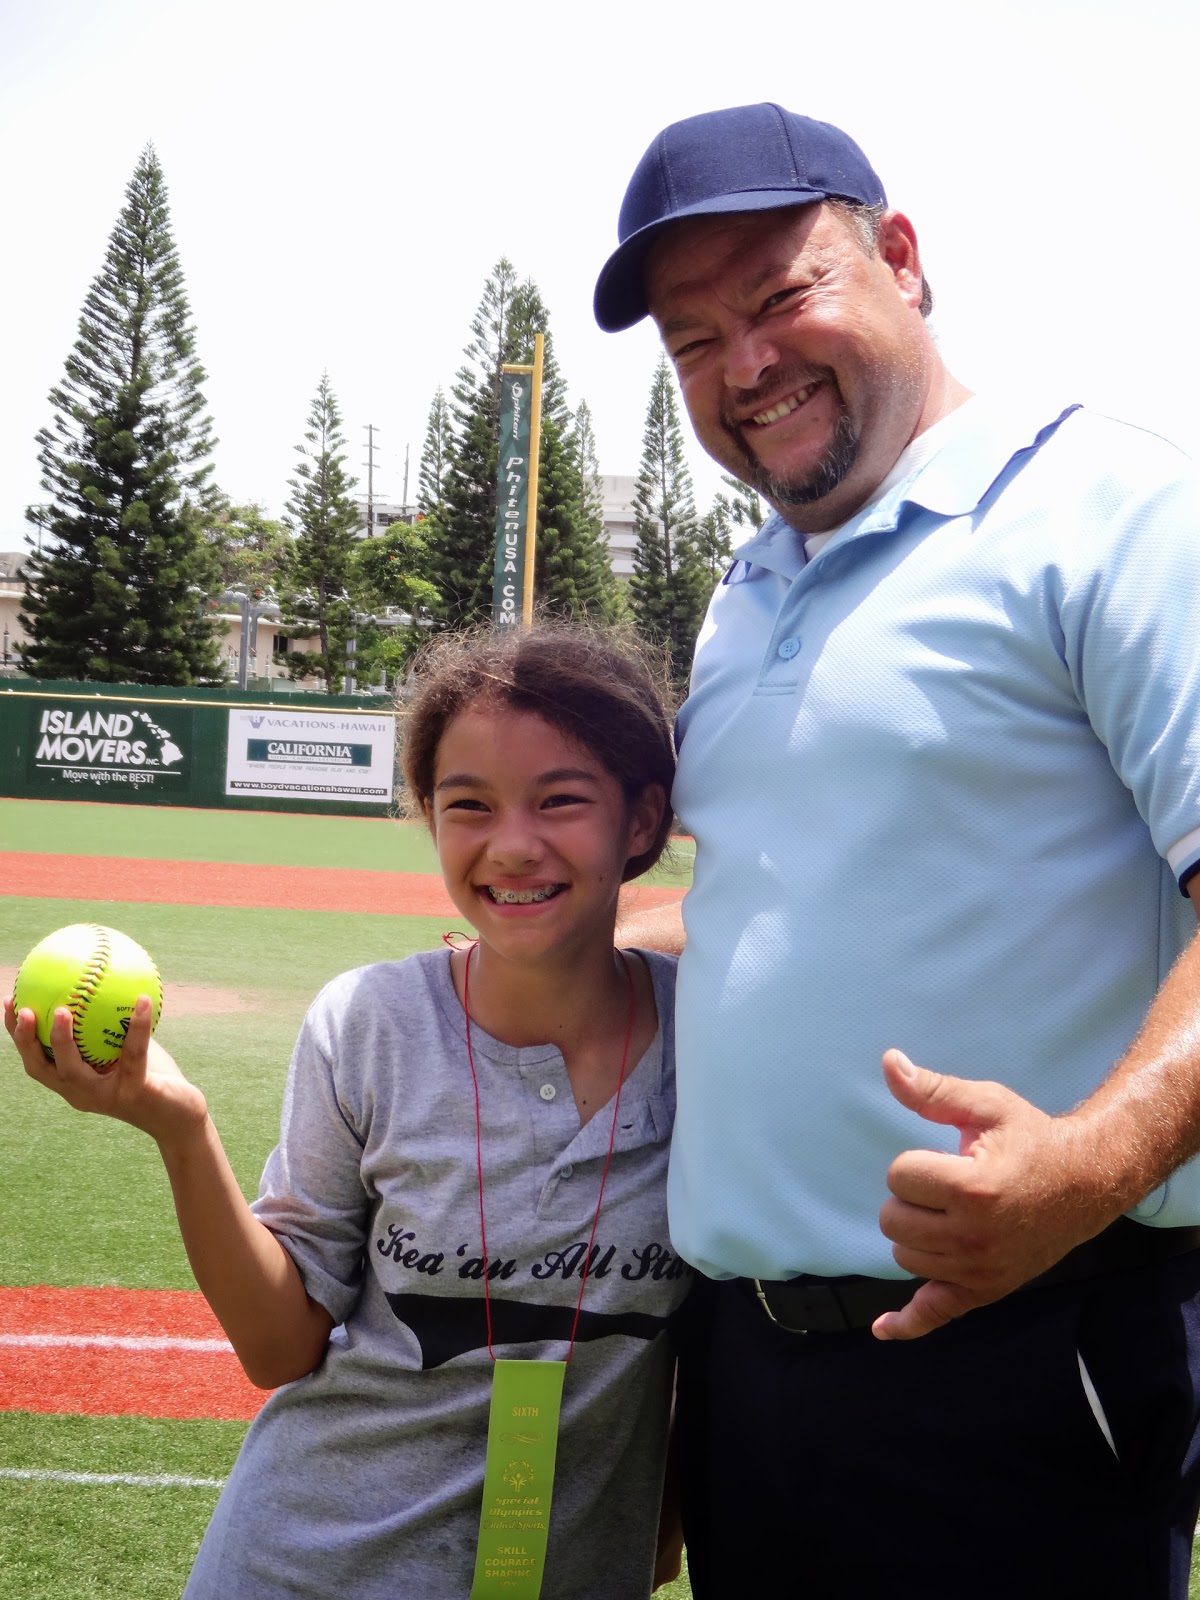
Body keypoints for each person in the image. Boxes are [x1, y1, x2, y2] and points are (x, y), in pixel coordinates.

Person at [594, 102, 1200, 1597]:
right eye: (691, 339)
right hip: (753, 1370)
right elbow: (774, 912)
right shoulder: (748, 589)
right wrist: (520, 976)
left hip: (1026, 1354)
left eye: (782, 296)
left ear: (905, 261)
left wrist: (1086, 1164)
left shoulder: (1114, 511)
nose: (744, 364)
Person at [4, 623, 690, 1600]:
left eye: (561, 799)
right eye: (469, 804)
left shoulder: (707, 1043)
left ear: (642, 816)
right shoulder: (370, 1023)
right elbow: (280, 1347)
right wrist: (182, 1126)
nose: (512, 843)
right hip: (304, 1567)